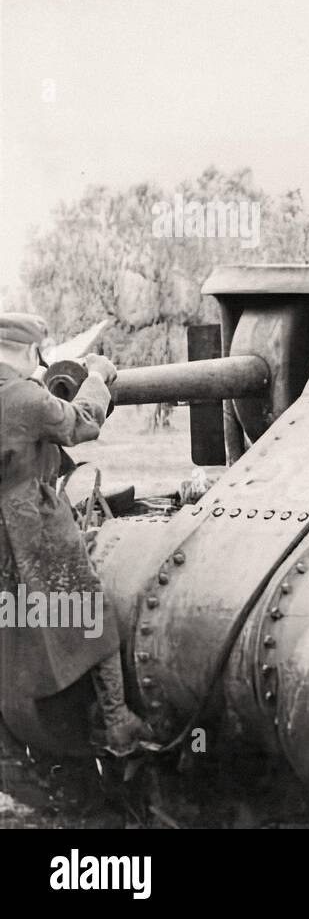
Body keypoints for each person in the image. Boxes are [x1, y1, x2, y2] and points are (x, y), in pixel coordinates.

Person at [0, 312, 153, 756]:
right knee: (89, 613)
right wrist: (98, 375)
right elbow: (82, 421)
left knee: (15, 621)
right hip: (31, 521)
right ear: (30, 353)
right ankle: (118, 722)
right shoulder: (24, 398)